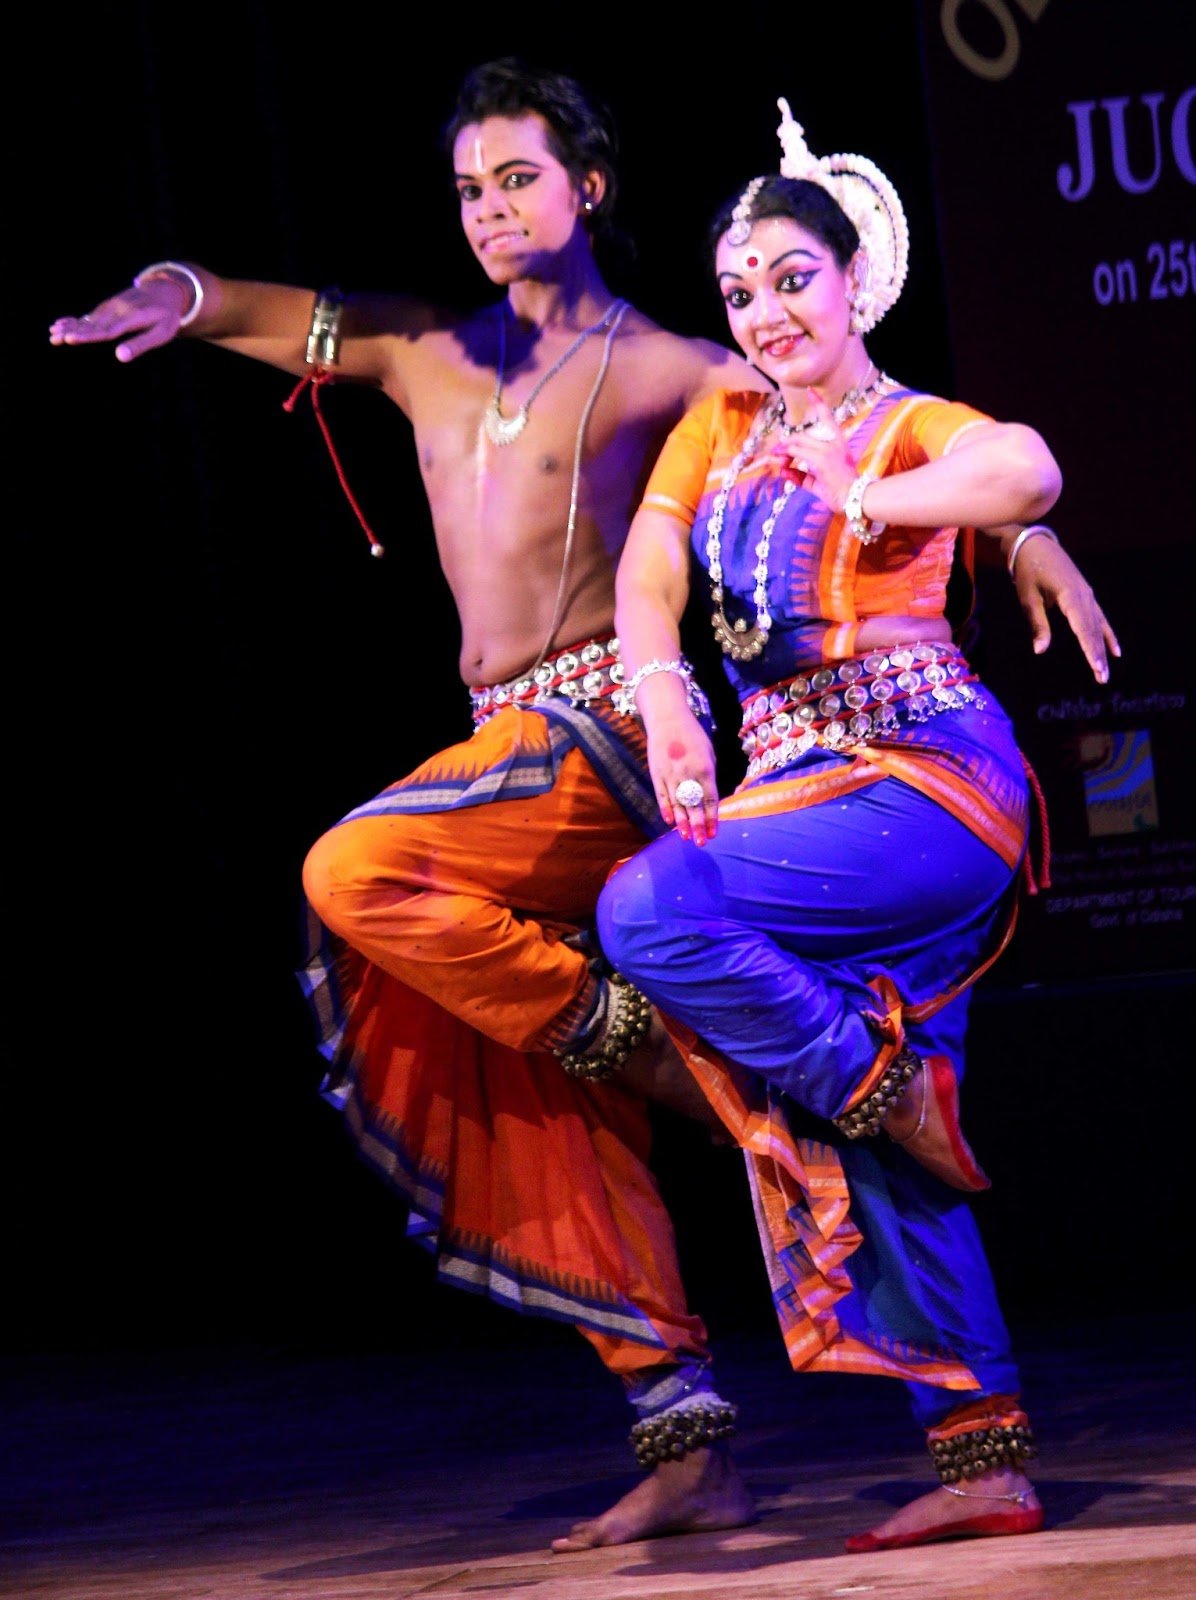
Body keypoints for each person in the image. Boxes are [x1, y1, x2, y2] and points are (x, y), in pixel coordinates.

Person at [48, 60, 1114, 1556]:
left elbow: (934, 444)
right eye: (470, 187)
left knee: (392, 879)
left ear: (591, 189)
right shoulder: (459, 358)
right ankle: (816, 1434)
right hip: (622, 766)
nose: (489, 211)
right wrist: (183, 289)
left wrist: (1027, 537)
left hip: (694, 747)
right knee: (549, 1045)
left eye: (519, 179)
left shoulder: (698, 370)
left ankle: (712, 1065)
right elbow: (286, 320)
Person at [593, 98, 1120, 1555]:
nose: (765, 312)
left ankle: (875, 1083)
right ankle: (982, 1458)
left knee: (648, 914)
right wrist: (669, 702)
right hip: (791, 789)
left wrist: (889, 490)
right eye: (740, 292)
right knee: (888, 1131)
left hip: (924, 788)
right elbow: (648, 572)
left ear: (853, 278)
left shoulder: (908, 424)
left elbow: (1025, 472)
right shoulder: (720, 422)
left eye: (791, 278)